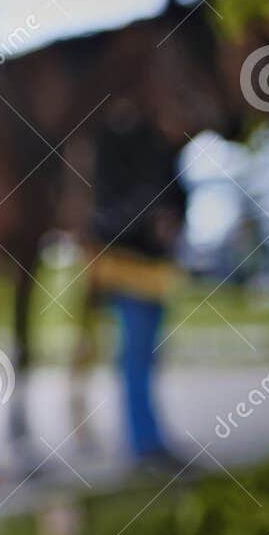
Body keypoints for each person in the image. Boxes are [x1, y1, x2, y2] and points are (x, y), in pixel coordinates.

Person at [88, 102, 188, 471]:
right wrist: (151, 220)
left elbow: (177, 194)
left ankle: (150, 439)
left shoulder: (160, 145)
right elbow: (104, 212)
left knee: (148, 354)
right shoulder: (109, 144)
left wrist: (172, 218)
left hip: (154, 266)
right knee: (135, 356)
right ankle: (143, 444)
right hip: (125, 264)